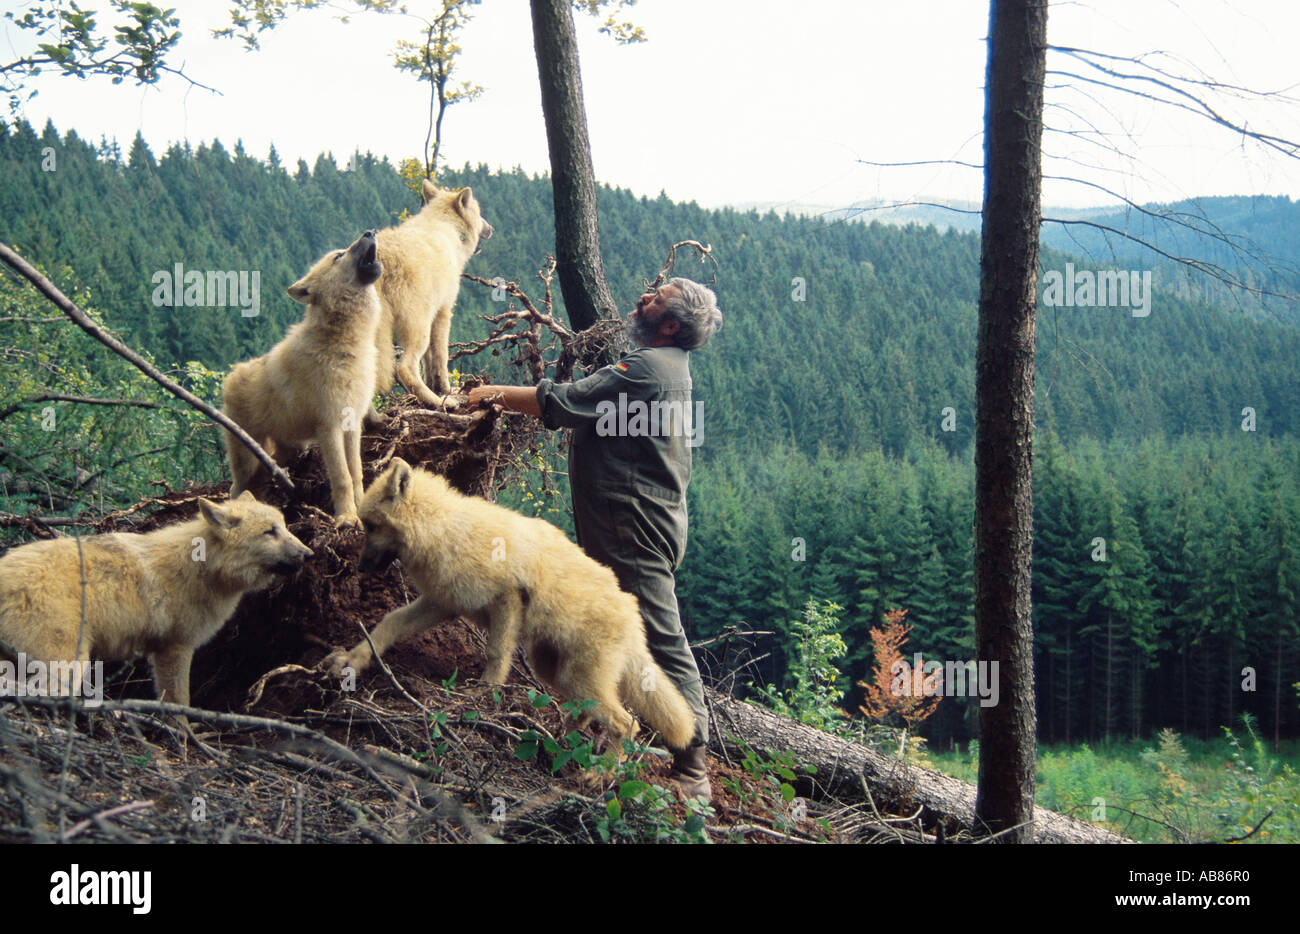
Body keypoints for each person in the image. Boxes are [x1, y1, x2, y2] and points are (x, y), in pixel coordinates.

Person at [467, 277, 722, 802]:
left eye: (659, 295)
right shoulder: (667, 367)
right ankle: (606, 725)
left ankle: (693, 766)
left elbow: (563, 403)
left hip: (633, 527)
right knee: (611, 627)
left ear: (671, 324)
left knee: (660, 634)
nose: (644, 296)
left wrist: (486, 395)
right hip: (639, 521)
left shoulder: (649, 368)